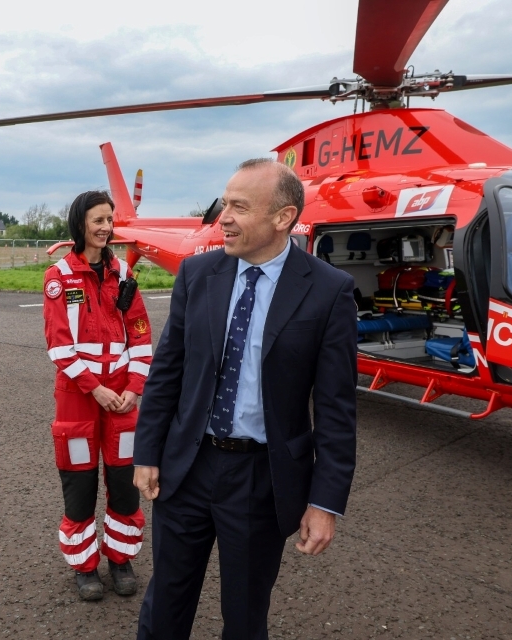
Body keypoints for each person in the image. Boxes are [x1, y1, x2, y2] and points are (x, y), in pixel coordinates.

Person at [132, 159, 357, 639]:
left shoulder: (329, 291)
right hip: (187, 468)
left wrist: (325, 502)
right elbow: (167, 371)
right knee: (165, 604)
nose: (224, 218)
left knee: (245, 615)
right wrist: (147, 452)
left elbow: (336, 409)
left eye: (239, 207)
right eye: (224, 204)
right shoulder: (197, 273)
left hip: (262, 479)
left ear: (283, 217)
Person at [43, 190, 153, 601]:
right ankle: (84, 565)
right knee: (80, 482)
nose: (106, 227)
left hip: (122, 398)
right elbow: (59, 346)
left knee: (125, 482)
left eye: (110, 220)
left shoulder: (124, 273)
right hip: (78, 397)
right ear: (80, 224)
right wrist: (97, 389)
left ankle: (120, 559)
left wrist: (133, 388)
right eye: (98, 220)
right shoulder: (59, 277)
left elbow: (140, 336)